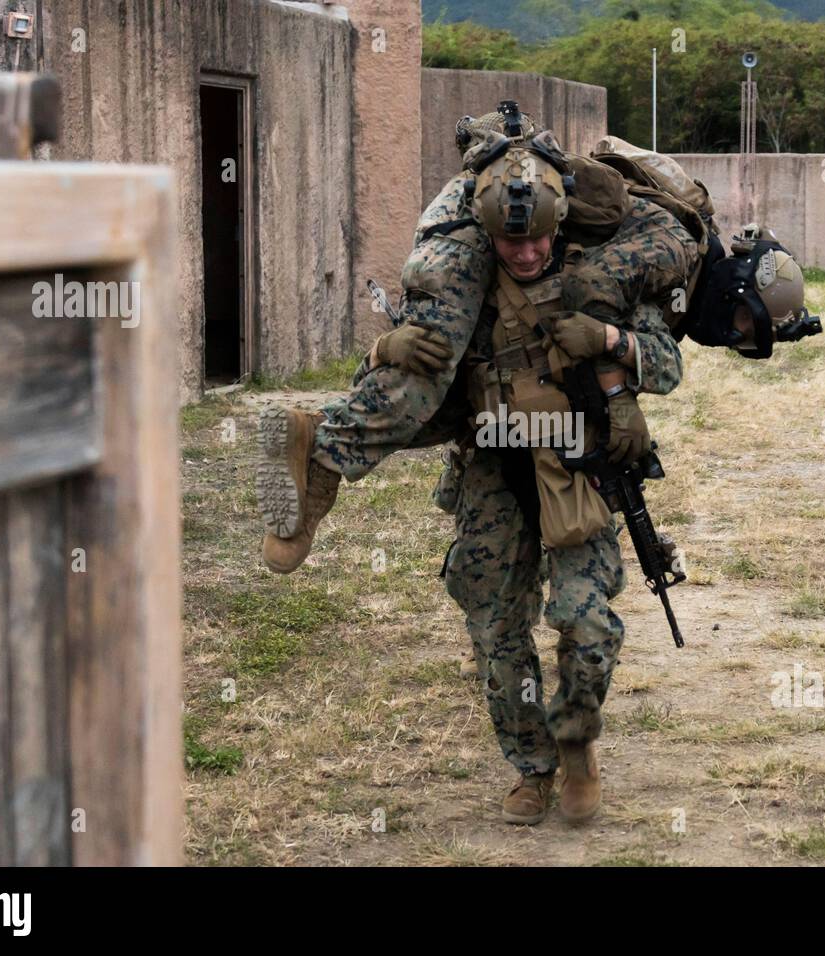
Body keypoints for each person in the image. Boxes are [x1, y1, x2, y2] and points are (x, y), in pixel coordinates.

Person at [257, 112, 697, 825]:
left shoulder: (600, 272)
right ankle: (532, 769)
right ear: (488, 232)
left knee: (585, 628)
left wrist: (612, 339)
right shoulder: (461, 278)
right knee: (498, 636)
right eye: (510, 242)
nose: (525, 254)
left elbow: (667, 362)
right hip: (491, 467)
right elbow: (415, 380)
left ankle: (578, 745)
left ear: (559, 225)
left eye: (536, 241)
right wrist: (384, 351)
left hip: (576, 469)